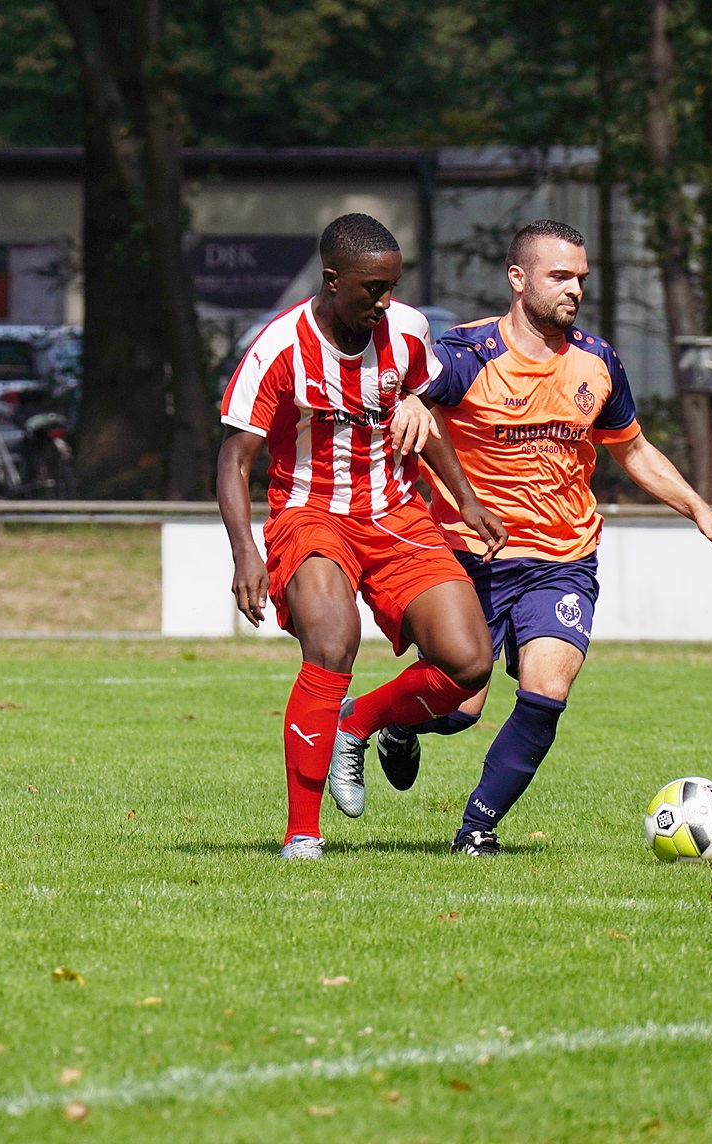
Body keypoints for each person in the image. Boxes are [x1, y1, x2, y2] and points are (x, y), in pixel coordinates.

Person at [328, 219, 712, 855]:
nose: (574, 289)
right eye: (560, 276)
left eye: (580, 277)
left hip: (563, 560)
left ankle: (476, 830)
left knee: (547, 690)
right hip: (470, 556)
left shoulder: (597, 362)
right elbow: (411, 390)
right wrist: (412, 401)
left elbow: (632, 449)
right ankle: (377, 723)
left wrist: (700, 511)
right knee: (461, 707)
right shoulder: (465, 354)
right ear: (518, 280)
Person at [218, 213, 507, 860]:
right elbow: (234, 460)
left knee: (469, 663)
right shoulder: (278, 348)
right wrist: (245, 552)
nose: (384, 301)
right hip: (309, 513)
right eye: (371, 289)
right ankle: (302, 835)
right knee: (332, 640)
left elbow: (424, 420)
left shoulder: (406, 331)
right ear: (331, 280)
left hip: (398, 513)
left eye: (391, 287)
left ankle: (361, 721)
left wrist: (465, 500)